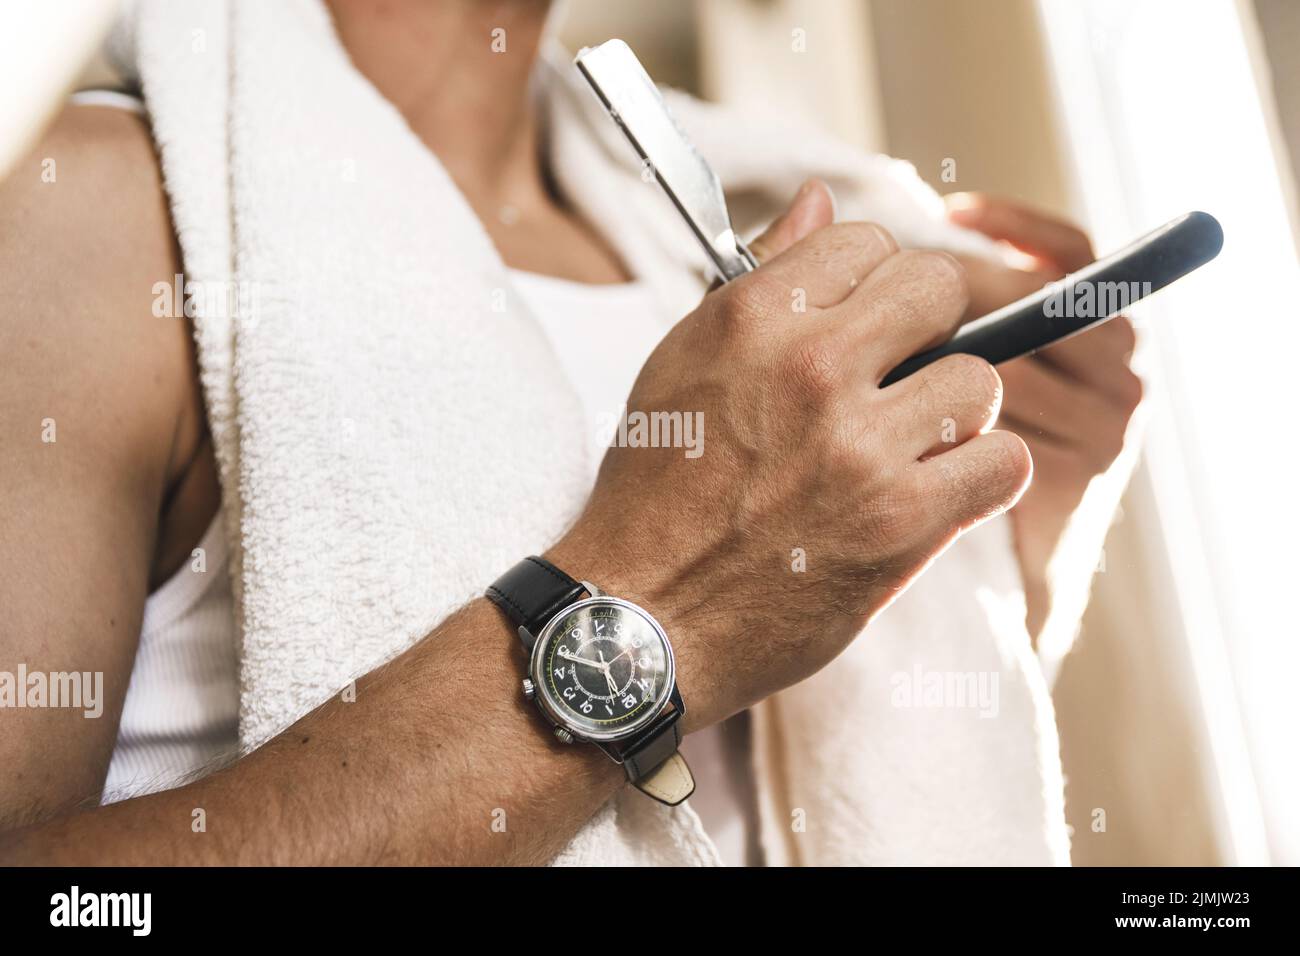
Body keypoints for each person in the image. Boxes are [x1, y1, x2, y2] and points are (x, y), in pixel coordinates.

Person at [0, 0, 1140, 865]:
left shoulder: (711, 231)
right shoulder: (89, 217)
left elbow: (783, 799)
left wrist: (1024, 539)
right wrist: (667, 603)